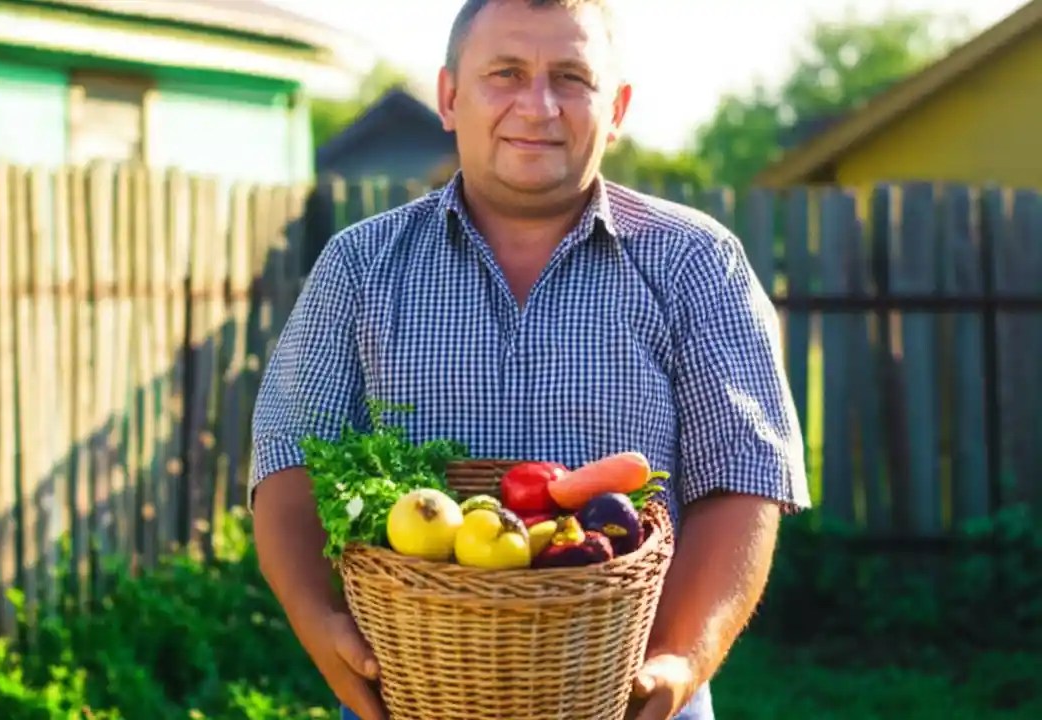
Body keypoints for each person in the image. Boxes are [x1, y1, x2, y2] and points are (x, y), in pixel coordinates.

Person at [248, 0, 813, 718]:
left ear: (617, 108)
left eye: (572, 77)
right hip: (414, 694)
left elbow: (742, 482)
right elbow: (290, 458)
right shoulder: (360, 266)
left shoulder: (698, 264)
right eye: (506, 73)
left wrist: (680, 658)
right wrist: (317, 620)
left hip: (633, 702)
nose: (538, 106)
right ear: (450, 96)